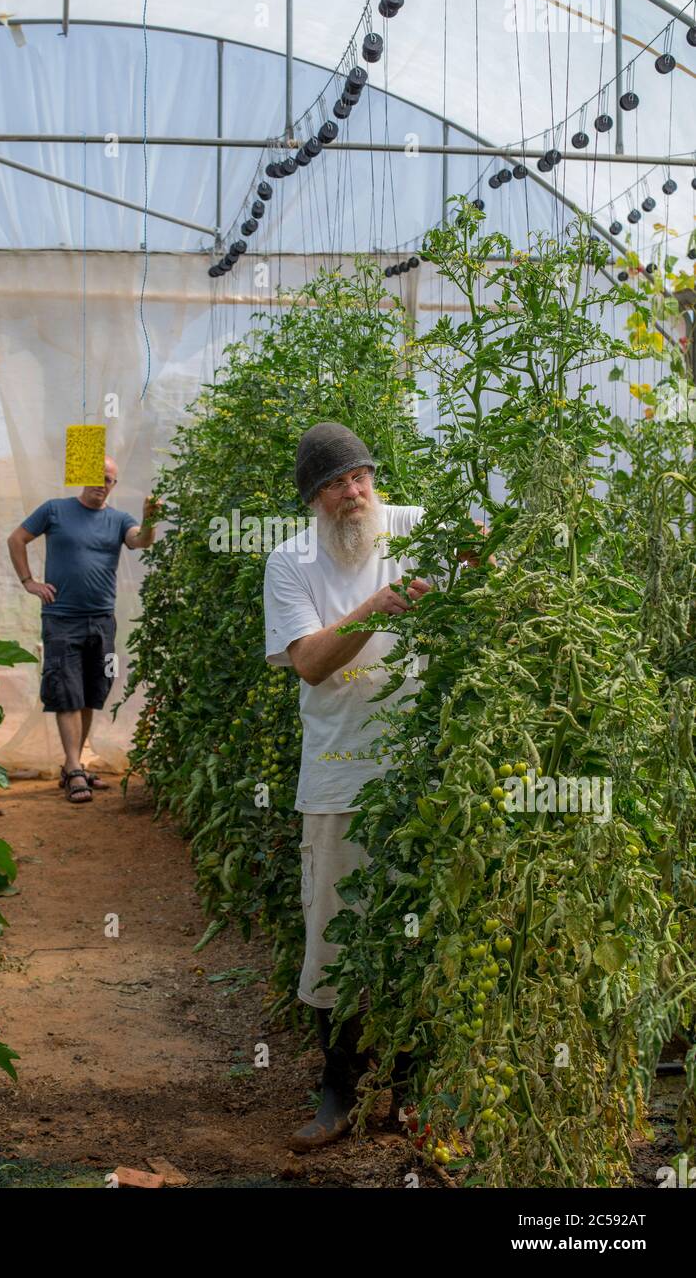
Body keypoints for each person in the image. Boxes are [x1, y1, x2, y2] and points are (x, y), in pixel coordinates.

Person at [263, 422, 487, 1150]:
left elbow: (488, 556)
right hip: (339, 776)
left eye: (359, 475)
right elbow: (310, 663)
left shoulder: (418, 526)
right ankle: (338, 1089)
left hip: (423, 778)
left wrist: (485, 546)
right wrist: (373, 609)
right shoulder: (291, 562)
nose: (352, 493)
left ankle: (417, 1090)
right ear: (313, 499)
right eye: (334, 484)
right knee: (335, 933)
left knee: (420, 934)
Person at [7, 456, 160, 804]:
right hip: (61, 618)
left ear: (113, 485)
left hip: (102, 620)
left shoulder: (119, 520)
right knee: (66, 691)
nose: (100, 484)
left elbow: (142, 541)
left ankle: (73, 765)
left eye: (107, 479)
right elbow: (16, 539)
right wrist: (29, 581)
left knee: (92, 691)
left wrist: (152, 518)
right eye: (95, 476)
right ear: (82, 476)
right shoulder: (54, 510)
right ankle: (75, 768)